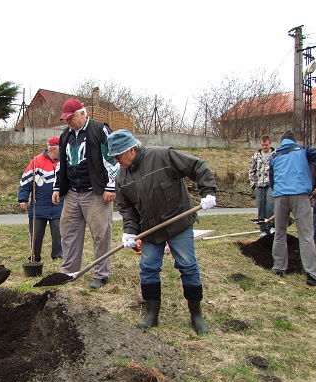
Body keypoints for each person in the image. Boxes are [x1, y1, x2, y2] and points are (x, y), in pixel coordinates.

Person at [107, 129, 217, 334]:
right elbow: (127, 209)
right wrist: (130, 232)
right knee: (148, 268)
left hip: (178, 223)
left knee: (187, 265)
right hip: (150, 230)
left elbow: (197, 166)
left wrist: (207, 191)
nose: (115, 160)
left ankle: (196, 316)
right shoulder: (121, 177)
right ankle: (152, 314)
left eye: (118, 155)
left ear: (131, 150)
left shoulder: (164, 156)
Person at [52, 99, 119, 289]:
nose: (68, 121)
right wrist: (58, 187)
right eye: (65, 119)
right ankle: (70, 271)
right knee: (68, 232)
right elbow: (61, 164)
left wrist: (111, 186)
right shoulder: (66, 135)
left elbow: (113, 159)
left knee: (101, 234)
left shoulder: (100, 129)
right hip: (73, 192)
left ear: (83, 113)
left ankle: (101, 274)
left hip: (96, 192)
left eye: (70, 117)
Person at [269, 130, 316, 286]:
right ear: (294, 141)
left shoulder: (274, 156)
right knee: (306, 235)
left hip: (280, 197)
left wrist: (280, 192)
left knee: (279, 233)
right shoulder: (304, 150)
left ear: (282, 142)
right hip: (300, 196)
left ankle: (278, 268)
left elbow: (272, 181)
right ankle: (312, 275)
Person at [18, 136, 64, 262]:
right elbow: (26, 180)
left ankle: (58, 256)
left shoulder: (64, 161)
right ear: (53, 149)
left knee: (59, 233)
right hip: (39, 206)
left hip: (59, 205)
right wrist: (23, 198)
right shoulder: (37, 161)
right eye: (61, 150)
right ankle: (34, 256)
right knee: (36, 234)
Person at [249, 135, 275, 235]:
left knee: (270, 205)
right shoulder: (256, 155)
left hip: (270, 184)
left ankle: (271, 227)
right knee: (261, 206)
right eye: (263, 145)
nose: (264, 147)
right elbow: (252, 170)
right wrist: (253, 183)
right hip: (259, 185)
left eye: (266, 145)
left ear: (270, 144)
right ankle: (263, 230)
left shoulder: (275, 155)